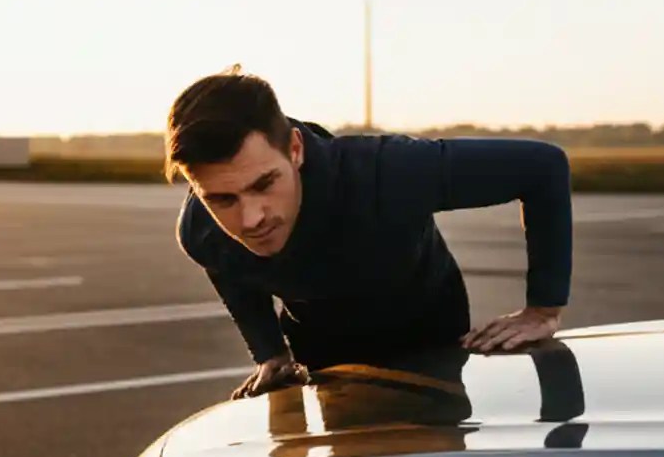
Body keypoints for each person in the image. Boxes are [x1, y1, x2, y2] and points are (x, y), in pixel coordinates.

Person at [166, 66, 573, 399]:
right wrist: (269, 351)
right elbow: (229, 269)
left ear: (295, 149)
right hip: (324, 350)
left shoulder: (387, 172)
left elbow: (542, 167)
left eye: (263, 184)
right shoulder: (201, 230)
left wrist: (544, 307)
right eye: (222, 199)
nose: (251, 218)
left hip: (429, 337)